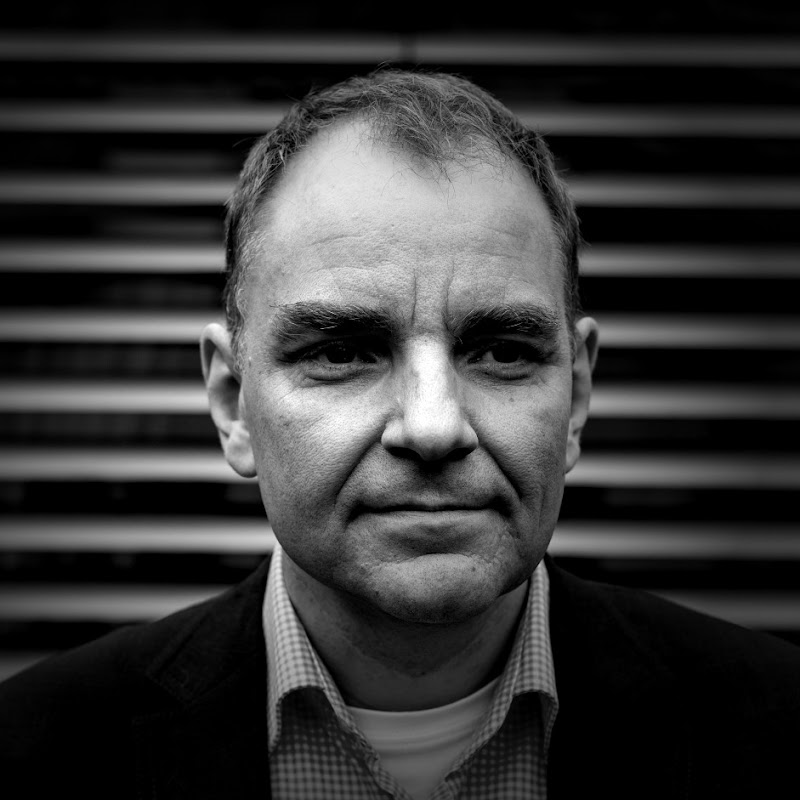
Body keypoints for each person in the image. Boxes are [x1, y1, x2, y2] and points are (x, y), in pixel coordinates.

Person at [1, 69, 799, 800]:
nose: (433, 427)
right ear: (232, 402)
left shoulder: (776, 727)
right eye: (342, 352)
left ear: (578, 395)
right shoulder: (34, 753)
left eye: (502, 352)